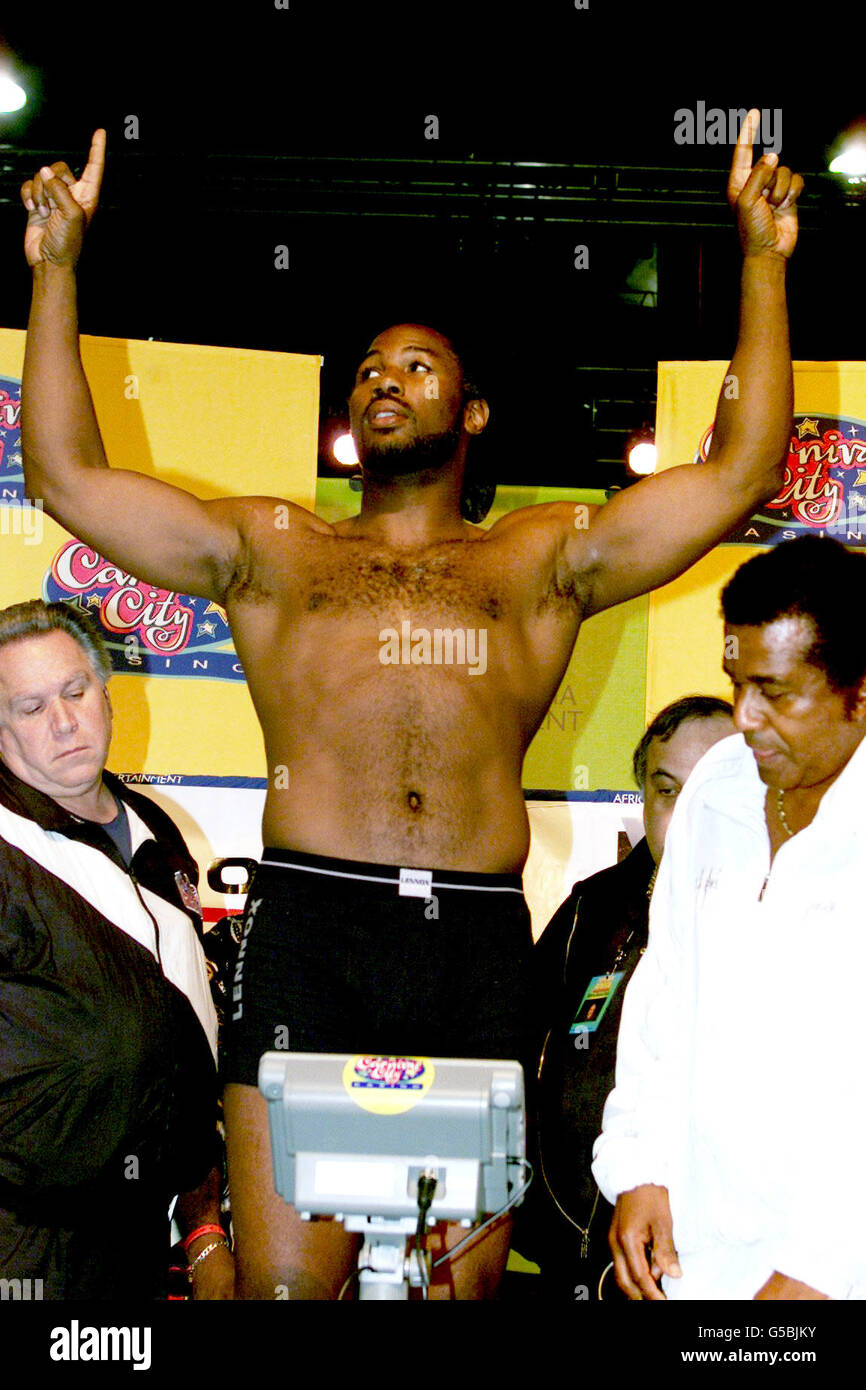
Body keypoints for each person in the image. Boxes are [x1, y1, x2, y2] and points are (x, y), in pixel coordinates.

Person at [19, 109, 801, 1299]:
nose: (384, 379)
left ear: (473, 413)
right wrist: (60, 270)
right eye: (370, 367)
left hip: (472, 952)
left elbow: (739, 469)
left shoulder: (540, 560)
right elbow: (69, 476)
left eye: (416, 364)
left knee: (452, 1301)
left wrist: (757, 257)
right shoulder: (271, 551)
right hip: (310, 942)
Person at [594, 535, 866, 1301]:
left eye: (775, 692)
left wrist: (825, 1266)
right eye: (734, 682)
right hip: (701, 1255)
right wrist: (640, 1167)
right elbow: (667, 990)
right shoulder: (716, 790)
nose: (743, 717)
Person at [0, 599, 233, 1299]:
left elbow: (186, 1025)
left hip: (141, 1228)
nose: (65, 722)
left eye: (76, 692)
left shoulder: (155, 825)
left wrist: (201, 1224)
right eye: (31, 707)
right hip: (24, 1236)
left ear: (106, 693)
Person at [513, 696, 733, 1299]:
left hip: (715, 1273)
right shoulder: (592, 910)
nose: (687, 816)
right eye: (668, 792)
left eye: (711, 791)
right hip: (571, 1262)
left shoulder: (792, 919)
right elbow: (516, 1060)